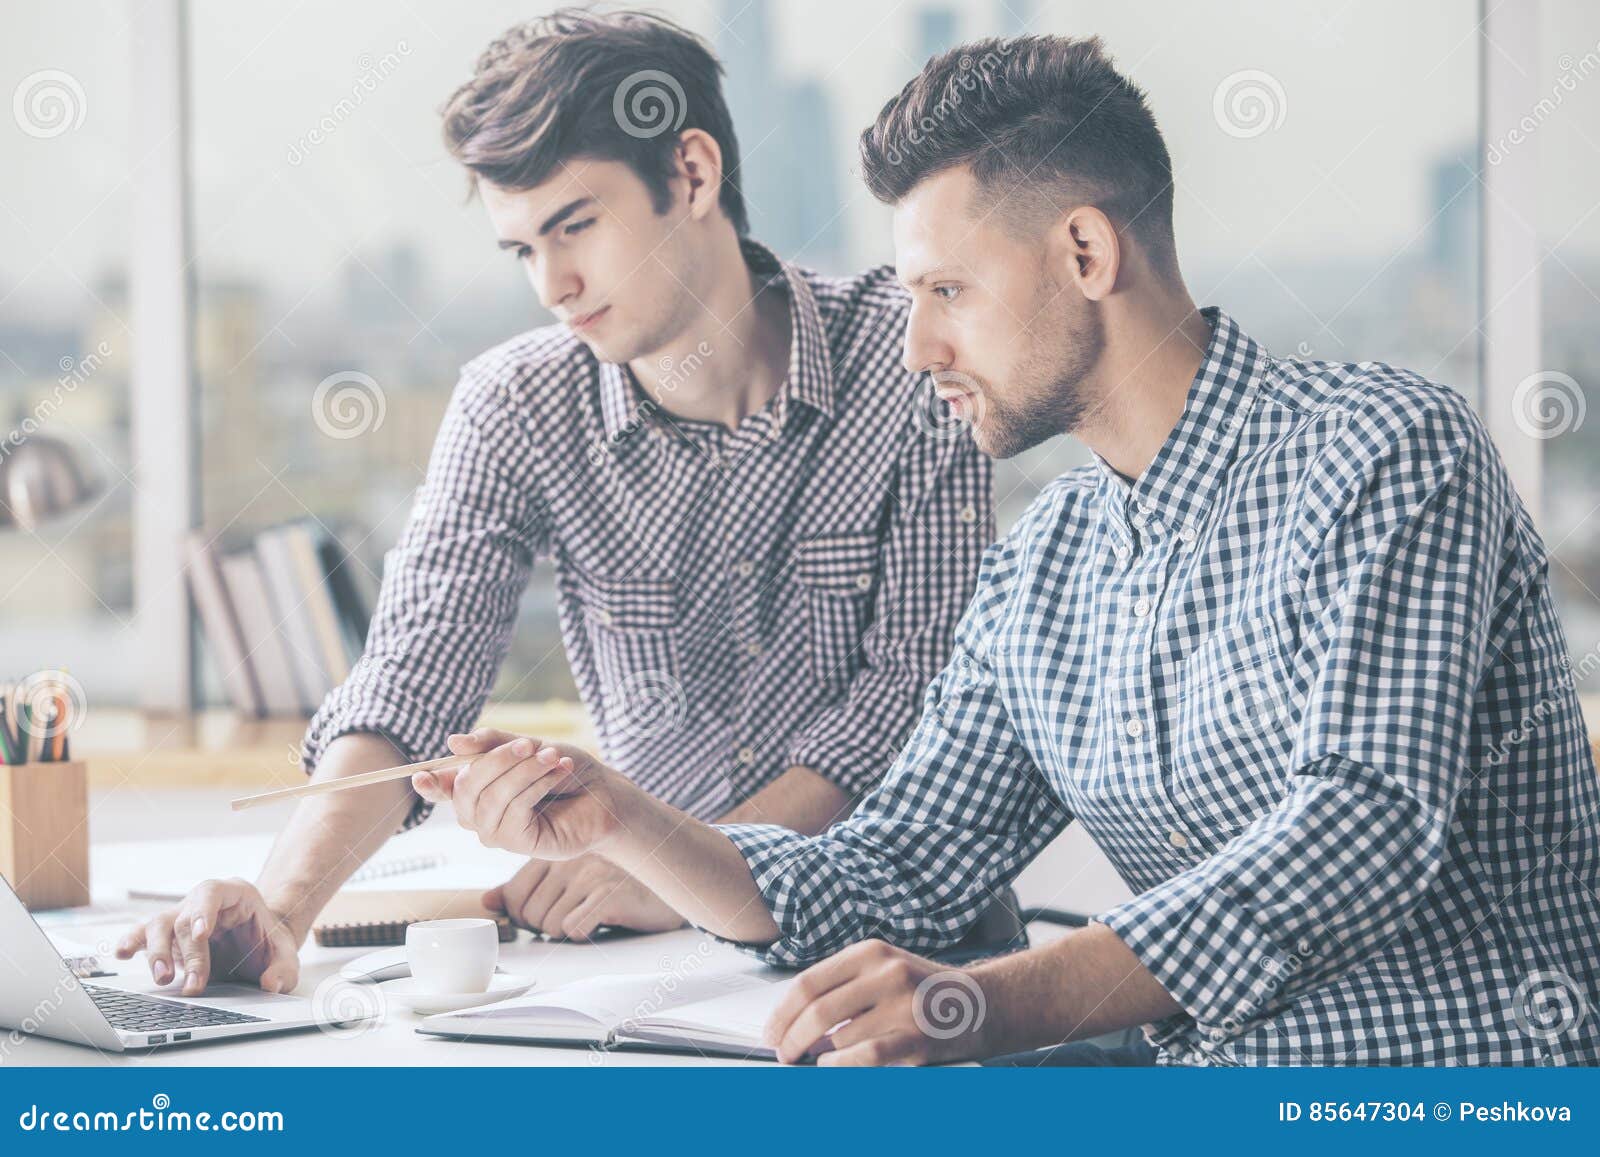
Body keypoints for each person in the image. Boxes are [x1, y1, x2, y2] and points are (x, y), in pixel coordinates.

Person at [412, 33, 1600, 1066]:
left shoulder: (1383, 448)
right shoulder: (1049, 564)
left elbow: (1360, 829)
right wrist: (620, 816)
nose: (918, 344)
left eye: (947, 290)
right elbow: (894, 863)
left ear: (1086, 255)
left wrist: (972, 1000)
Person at [115, 10, 992, 998]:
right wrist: (282, 904)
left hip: (910, 946)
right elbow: (411, 674)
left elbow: (908, 704)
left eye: (576, 225)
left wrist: (677, 864)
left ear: (693, 175)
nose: (554, 284)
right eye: (521, 249)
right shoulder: (516, 401)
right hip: (662, 969)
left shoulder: (912, 356)